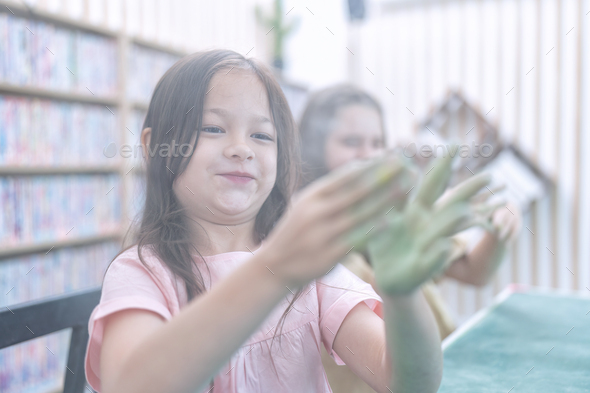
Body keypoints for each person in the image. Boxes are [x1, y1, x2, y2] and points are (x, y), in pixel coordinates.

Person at [83, 50, 488, 393]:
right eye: (212, 128)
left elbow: (408, 382)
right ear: (155, 148)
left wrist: (403, 296)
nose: (241, 148)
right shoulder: (140, 273)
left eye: (262, 136)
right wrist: (276, 269)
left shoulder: (315, 271)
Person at [298, 84, 522, 393]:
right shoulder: (299, 237)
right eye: (351, 142)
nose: (368, 155)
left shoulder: (393, 213)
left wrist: (499, 227)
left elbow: (475, 272)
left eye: (377, 142)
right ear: (312, 148)